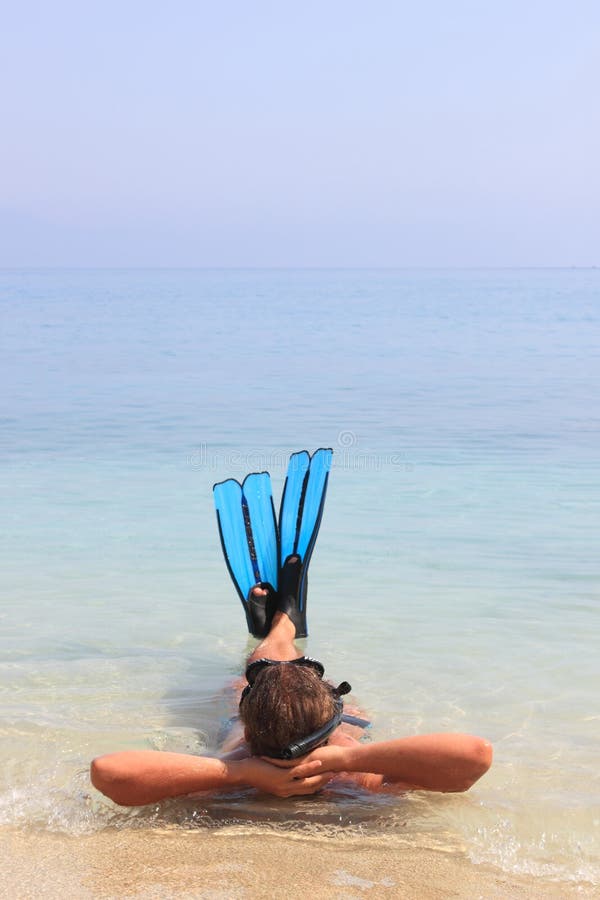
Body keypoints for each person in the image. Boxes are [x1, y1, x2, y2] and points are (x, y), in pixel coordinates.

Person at [91, 450, 492, 807]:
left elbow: (109, 772)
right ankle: (286, 620)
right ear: (334, 733)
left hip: (259, 730)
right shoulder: (361, 778)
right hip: (320, 728)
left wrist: (238, 772)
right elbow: (475, 755)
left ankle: (277, 627)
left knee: (249, 683)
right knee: (290, 685)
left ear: (247, 737)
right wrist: (350, 757)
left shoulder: (235, 771)